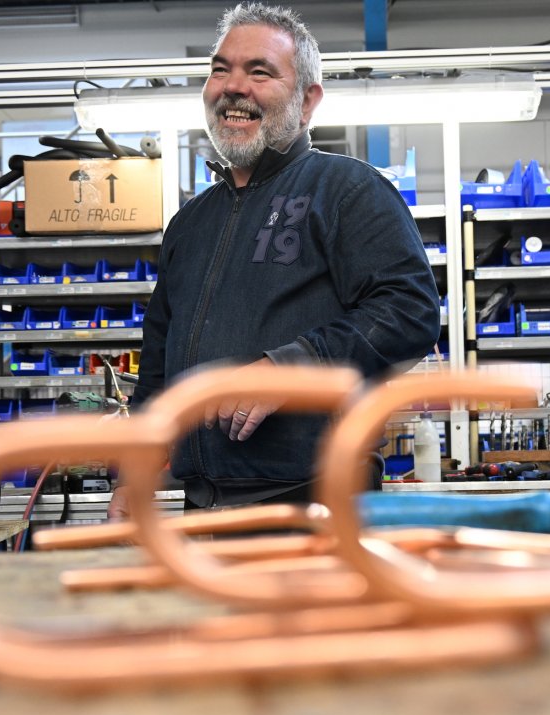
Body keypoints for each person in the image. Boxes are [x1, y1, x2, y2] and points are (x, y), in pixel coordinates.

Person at [111, 1, 440, 515]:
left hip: (315, 505)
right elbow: (158, 359)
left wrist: (286, 369)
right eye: (221, 69)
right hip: (203, 508)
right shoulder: (190, 223)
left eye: (259, 72)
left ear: (308, 101)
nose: (233, 87)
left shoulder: (350, 191)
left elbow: (408, 312)